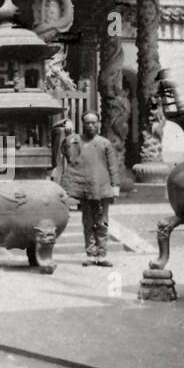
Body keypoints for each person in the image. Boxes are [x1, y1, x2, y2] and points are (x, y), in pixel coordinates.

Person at [63, 112, 122, 266]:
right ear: (83, 124)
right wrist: (68, 134)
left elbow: (113, 166)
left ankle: (102, 255)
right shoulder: (76, 141)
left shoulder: (105, 143)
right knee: (88, 223)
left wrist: (115, 186)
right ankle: (90, 255)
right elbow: (66, 152)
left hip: (102, 188)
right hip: (85, 188)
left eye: (94, 122)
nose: (91, 125)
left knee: (102, 223)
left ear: (99, 124)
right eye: (87, 123)